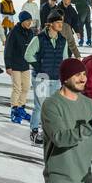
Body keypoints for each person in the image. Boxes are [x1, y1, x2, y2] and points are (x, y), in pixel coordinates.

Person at [24, 10, 69, 146]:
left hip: (56, 77)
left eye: (61, 22)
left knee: (52, 107)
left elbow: (65, 59)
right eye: (58, 22)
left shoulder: (62, 40)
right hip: (42, 77)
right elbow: (28, 55)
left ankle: (47, 131)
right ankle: (34, 130)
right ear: (50, 24)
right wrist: (39, 67)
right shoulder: (39, 38)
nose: (61, 25)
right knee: (40, 106)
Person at [4, 11, 36, 124]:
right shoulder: (13, 33)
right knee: (17, 88)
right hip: (15, 65)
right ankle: (14, 110)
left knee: (26, 87)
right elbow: (8, 49)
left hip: (25, 65)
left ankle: (21, 108)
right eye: (27, 21)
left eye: (30, 21)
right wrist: (8, 65)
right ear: (22, 21)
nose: (29, 23)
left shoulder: (31, 33)